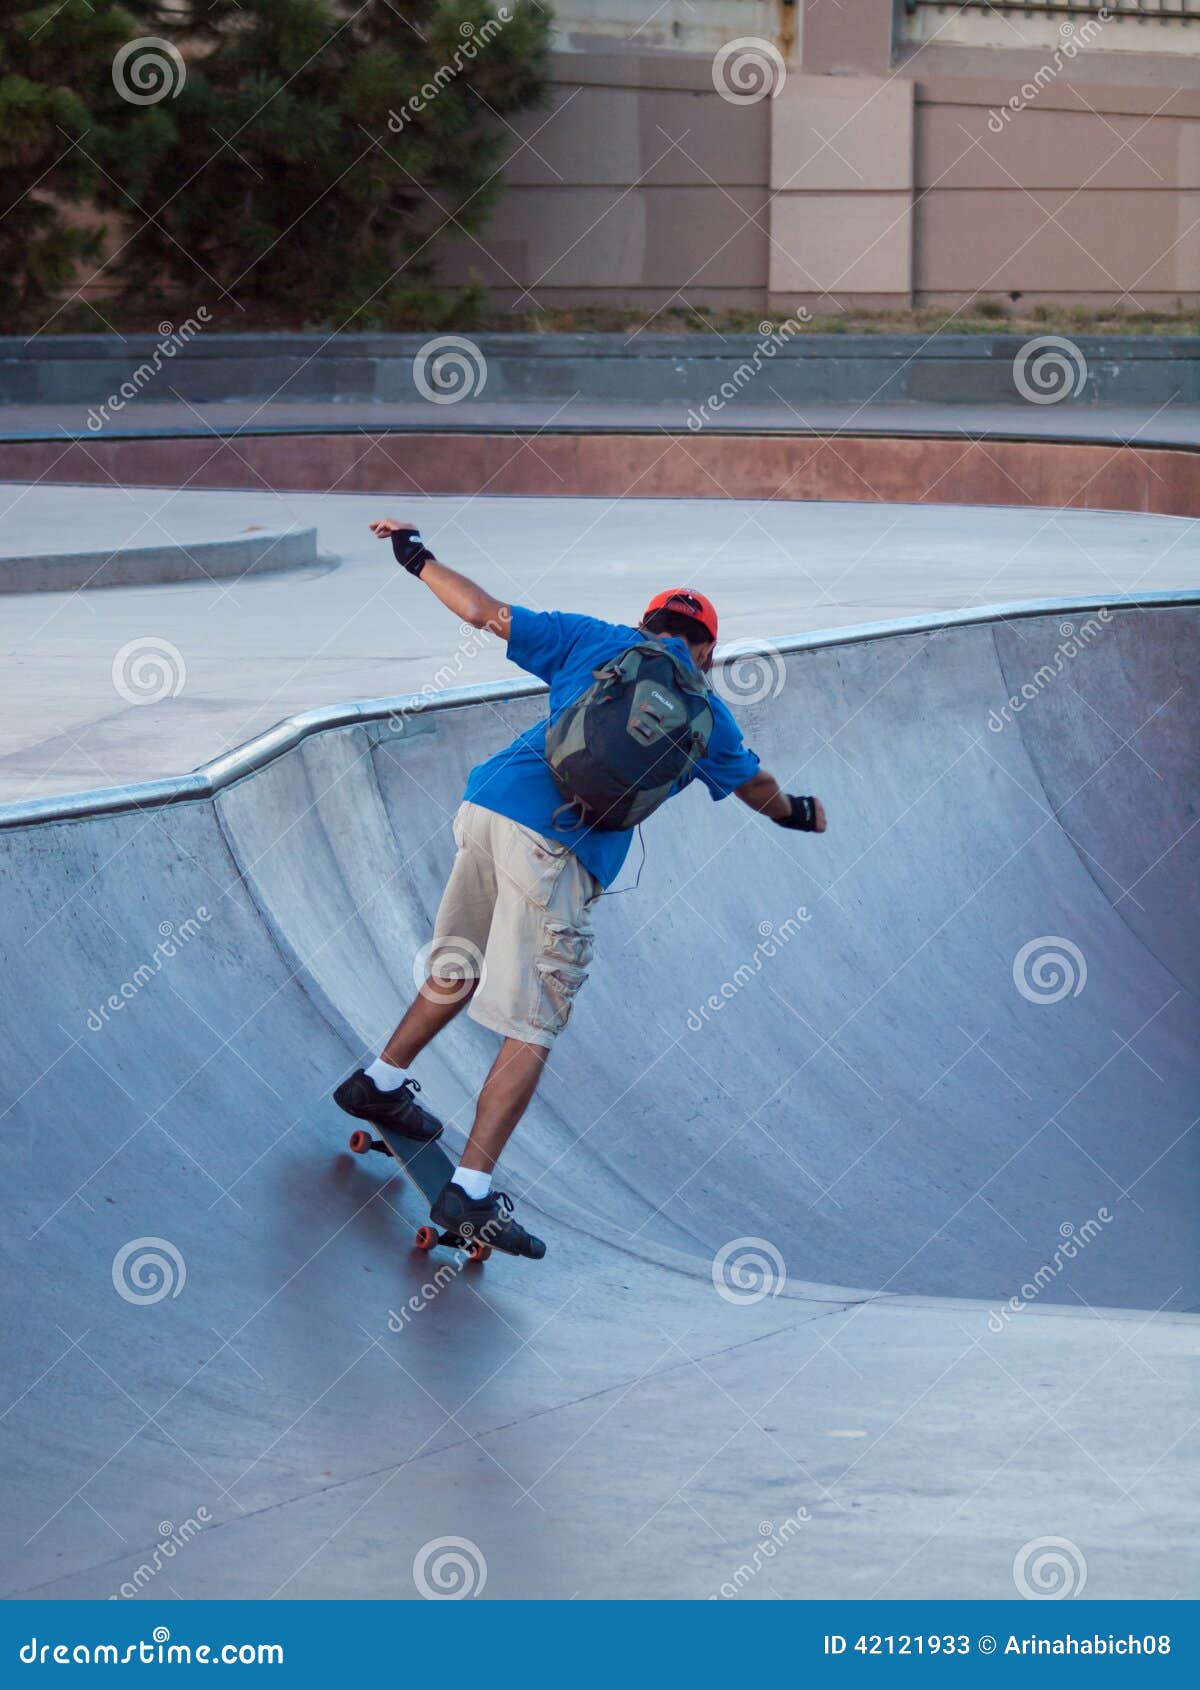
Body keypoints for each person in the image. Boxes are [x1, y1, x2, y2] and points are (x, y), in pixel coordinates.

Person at [335, 519, 827, 1258]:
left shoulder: (592, 639)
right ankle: (469, 1192)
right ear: (708, 653)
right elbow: (757, 786)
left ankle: (380, 1079)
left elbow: (481, 612)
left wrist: (416, 556)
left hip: (486, 806)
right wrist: (797, 814)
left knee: (457, 962)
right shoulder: (708, 715)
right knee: (533, 1027)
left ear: (644, 625)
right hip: (556, 850)